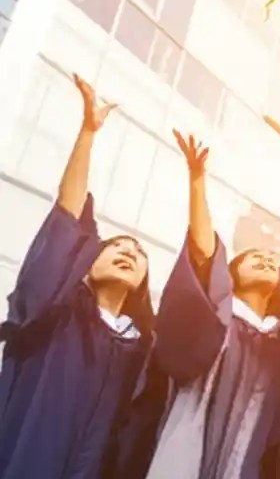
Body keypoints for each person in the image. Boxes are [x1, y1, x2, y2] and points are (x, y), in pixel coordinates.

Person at [0, 74, 154, 478]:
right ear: (83, 264)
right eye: (117, 246)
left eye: (138, 253)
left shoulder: (139, 349)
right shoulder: (54, 315)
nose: (129, 251)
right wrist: (88, 133)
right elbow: (66, 219)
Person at [142, 130, 280, 478]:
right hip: (191, 442)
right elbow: (203, 254)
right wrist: (197, 182)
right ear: (230, 274)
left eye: (270, 260)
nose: (265, 261)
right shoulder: (218, 320)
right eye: (253, 258)